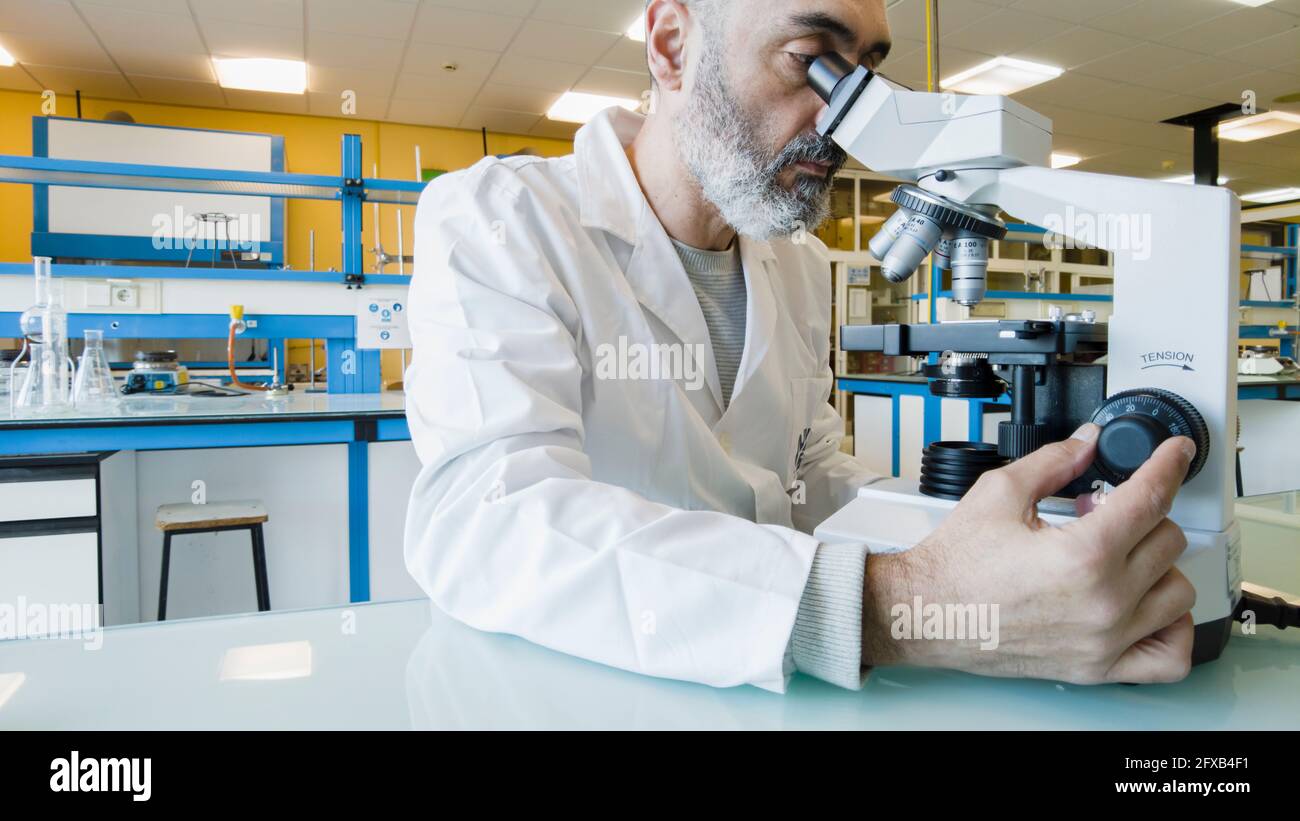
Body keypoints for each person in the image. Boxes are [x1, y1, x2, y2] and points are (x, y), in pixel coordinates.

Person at [403, 0, 1196, 693]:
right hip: (567, 695)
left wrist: (1005, 563)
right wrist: (909, 605)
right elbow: (487, 525)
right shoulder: (498, 219)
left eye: (864, 80)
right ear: (673, 45)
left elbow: (807, 473)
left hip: (767, 691)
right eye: (814, 65)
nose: (842, 121)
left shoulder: (798, 263)